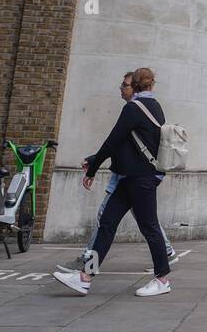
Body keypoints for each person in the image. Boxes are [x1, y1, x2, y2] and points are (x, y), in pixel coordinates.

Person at [54, 67, 172, 297]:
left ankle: (162, 279)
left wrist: (92, 169)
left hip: (140, 180)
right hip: (131, 178)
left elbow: (112, 141)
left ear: (135, 86)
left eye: (124, 84)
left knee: (150, 227)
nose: (121, 87)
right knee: (107, 224)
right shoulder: (154, 106)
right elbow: (126, 145)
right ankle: (85, 278)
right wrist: (93, 160)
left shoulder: (133, 109)